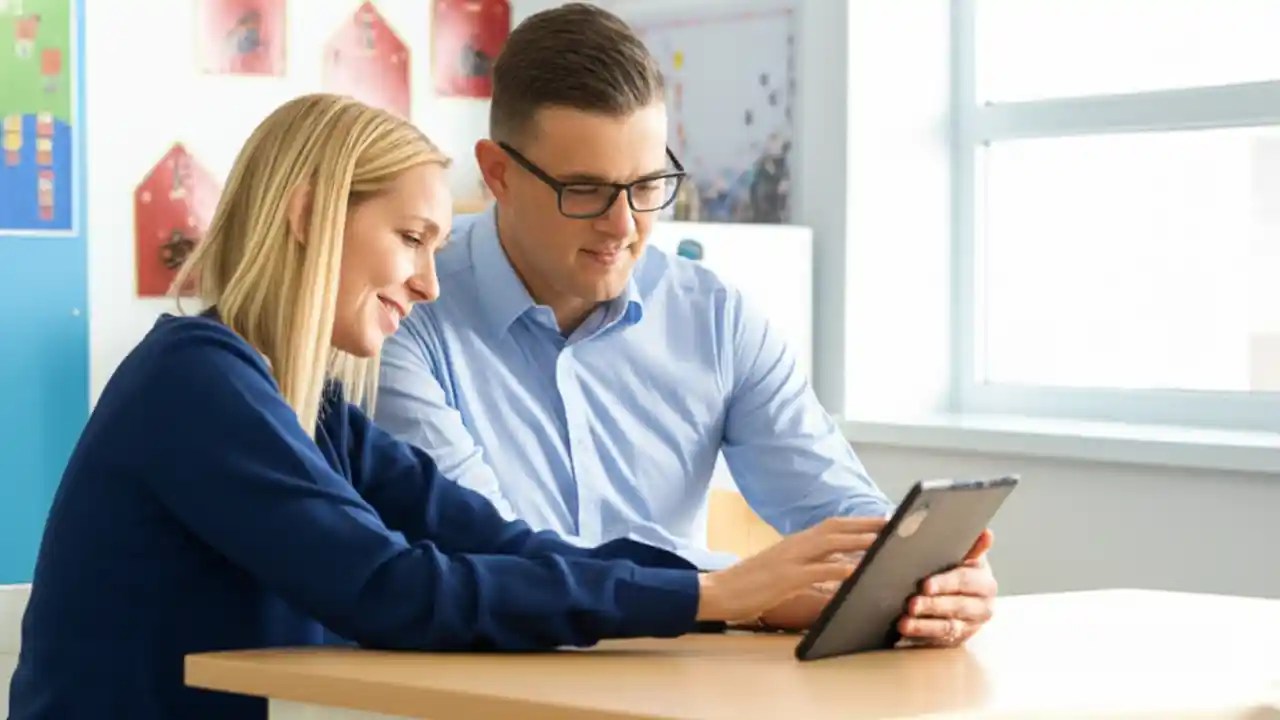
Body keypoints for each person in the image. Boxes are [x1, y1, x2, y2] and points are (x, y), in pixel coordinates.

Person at [7, 93, 889, 720]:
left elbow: (499, 542)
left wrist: (731, 599)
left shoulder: (310, 412)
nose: (430, 283)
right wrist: (707, 593)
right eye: (411, 239)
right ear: (310, 215)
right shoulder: (194, 384)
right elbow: (394, 591)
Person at [375, 3, 998, 643]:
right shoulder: (402, 311)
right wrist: (742, 593)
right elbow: (497, 555)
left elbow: (843, 515)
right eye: (584, 190)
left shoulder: (715, 319)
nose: (623, 227)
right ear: (498, 173)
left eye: (647, 185)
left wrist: (923, 581)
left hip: (676, 687)